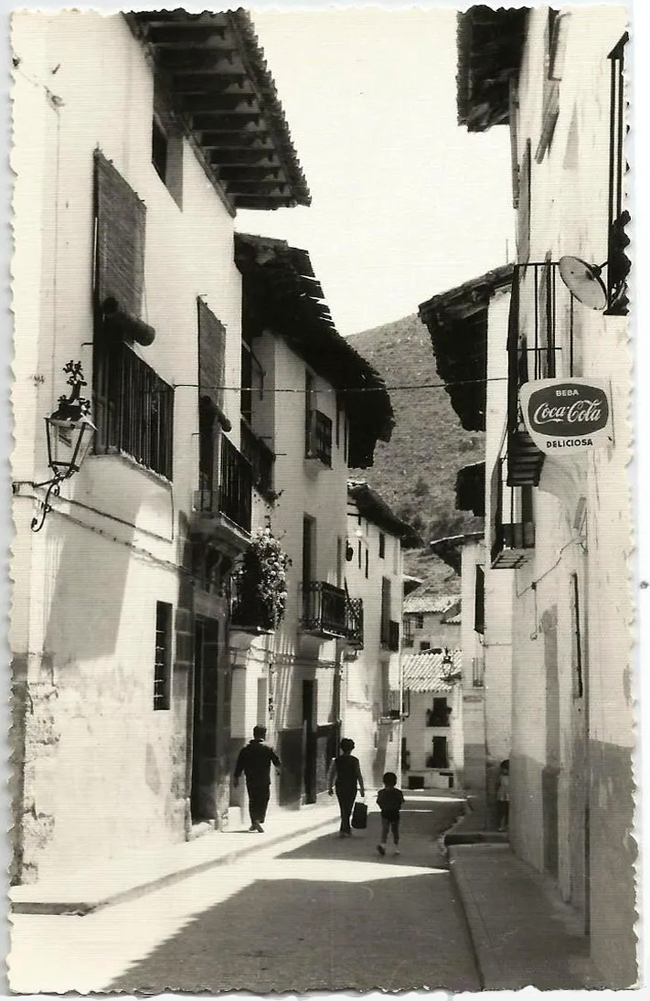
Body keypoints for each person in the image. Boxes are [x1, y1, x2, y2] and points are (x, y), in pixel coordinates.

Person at [233, 725, 281, 833]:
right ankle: (258, 819)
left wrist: (236, 777)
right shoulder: (268, 748)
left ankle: (254, 821)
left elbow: (239, 765)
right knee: (264, 799)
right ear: (264, 734)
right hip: (264, 779)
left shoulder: (246, 749)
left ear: (254, 734)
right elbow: (277, 761)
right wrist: (278, 771)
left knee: (253, 799)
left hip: (251, 779)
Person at [328, 737, 365, 837]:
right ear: (351, 748)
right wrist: (362, 788)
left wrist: (330, 786)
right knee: (348, 808)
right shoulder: (354, 761)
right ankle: (345, 829)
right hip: (351, 786)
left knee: (343, 807)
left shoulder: (337, 760)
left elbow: (332, 774)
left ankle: (344, 829)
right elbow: (358, 774)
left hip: (340, 786)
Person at [376, 771, 405, 856]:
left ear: (384, 782)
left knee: (385, 830)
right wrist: (396, 806)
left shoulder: (381, 792)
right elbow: (401, 801)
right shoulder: (398, 793)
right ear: (395, 782)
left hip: (385, 813)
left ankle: (383, 845)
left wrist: (383, 807)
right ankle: (396, 848)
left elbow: (379, 801)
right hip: (395, 814)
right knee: (395, 831)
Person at [496, 759, 510, 832]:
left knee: (508, 812)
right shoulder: (501, 777)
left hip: (508, 796)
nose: (503, 771)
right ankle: (501, 826)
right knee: (501, 812)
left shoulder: (512, 778)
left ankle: (507, 826)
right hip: (502, 796)